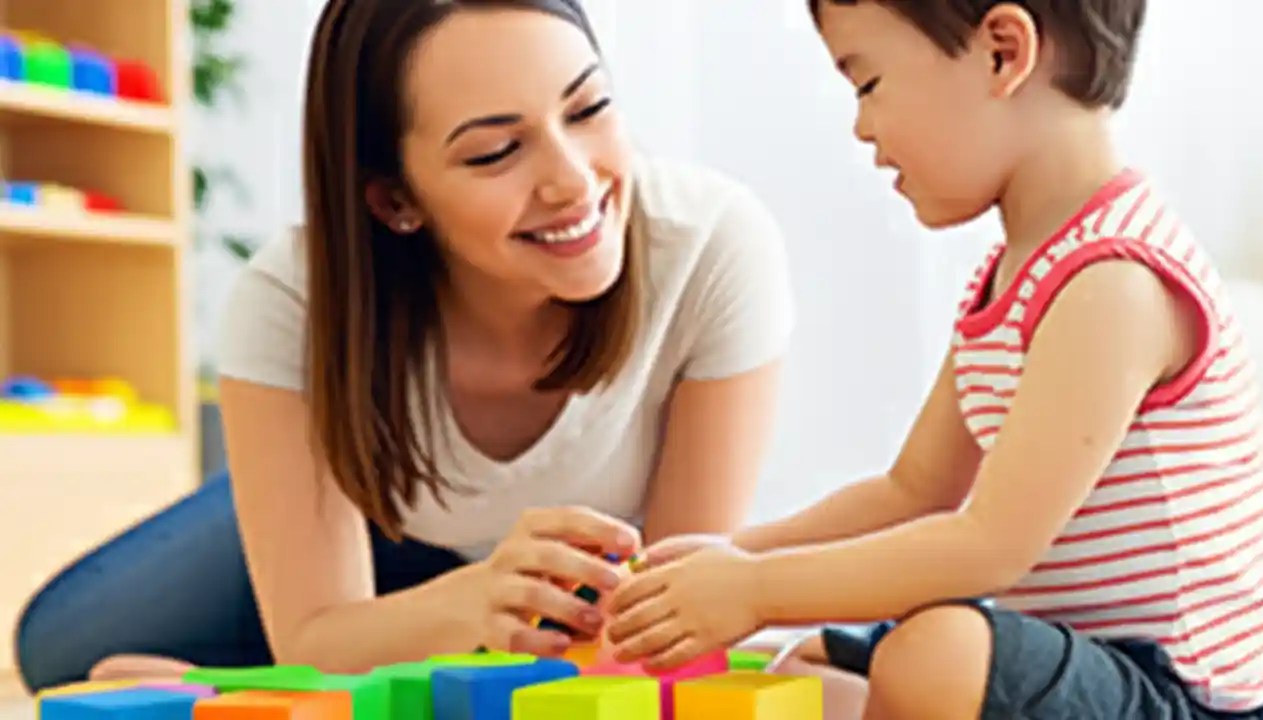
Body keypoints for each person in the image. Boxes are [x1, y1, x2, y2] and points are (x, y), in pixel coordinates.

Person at [14, 0, 795, 691]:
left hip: (556, 588)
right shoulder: (294, 299)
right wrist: (459, 605)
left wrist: (239, 693)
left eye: (588, 108)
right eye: (495, 152)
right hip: (379, 518)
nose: (572, 181)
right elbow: (315, 631)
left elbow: (663, 623)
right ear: (396, 200)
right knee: (65, 649)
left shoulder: (710, 247)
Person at [604, 1, 1263, 718]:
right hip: (1085, 658)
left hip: (1194, 700)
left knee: (935, 657)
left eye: (868, 85)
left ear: (1002, 53)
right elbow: (911, 490)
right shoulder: (1015, 273)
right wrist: (730, 555)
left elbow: (990, 546)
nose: (862, 128)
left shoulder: (1113, 284)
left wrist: (758, 590)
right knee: (812, 665)